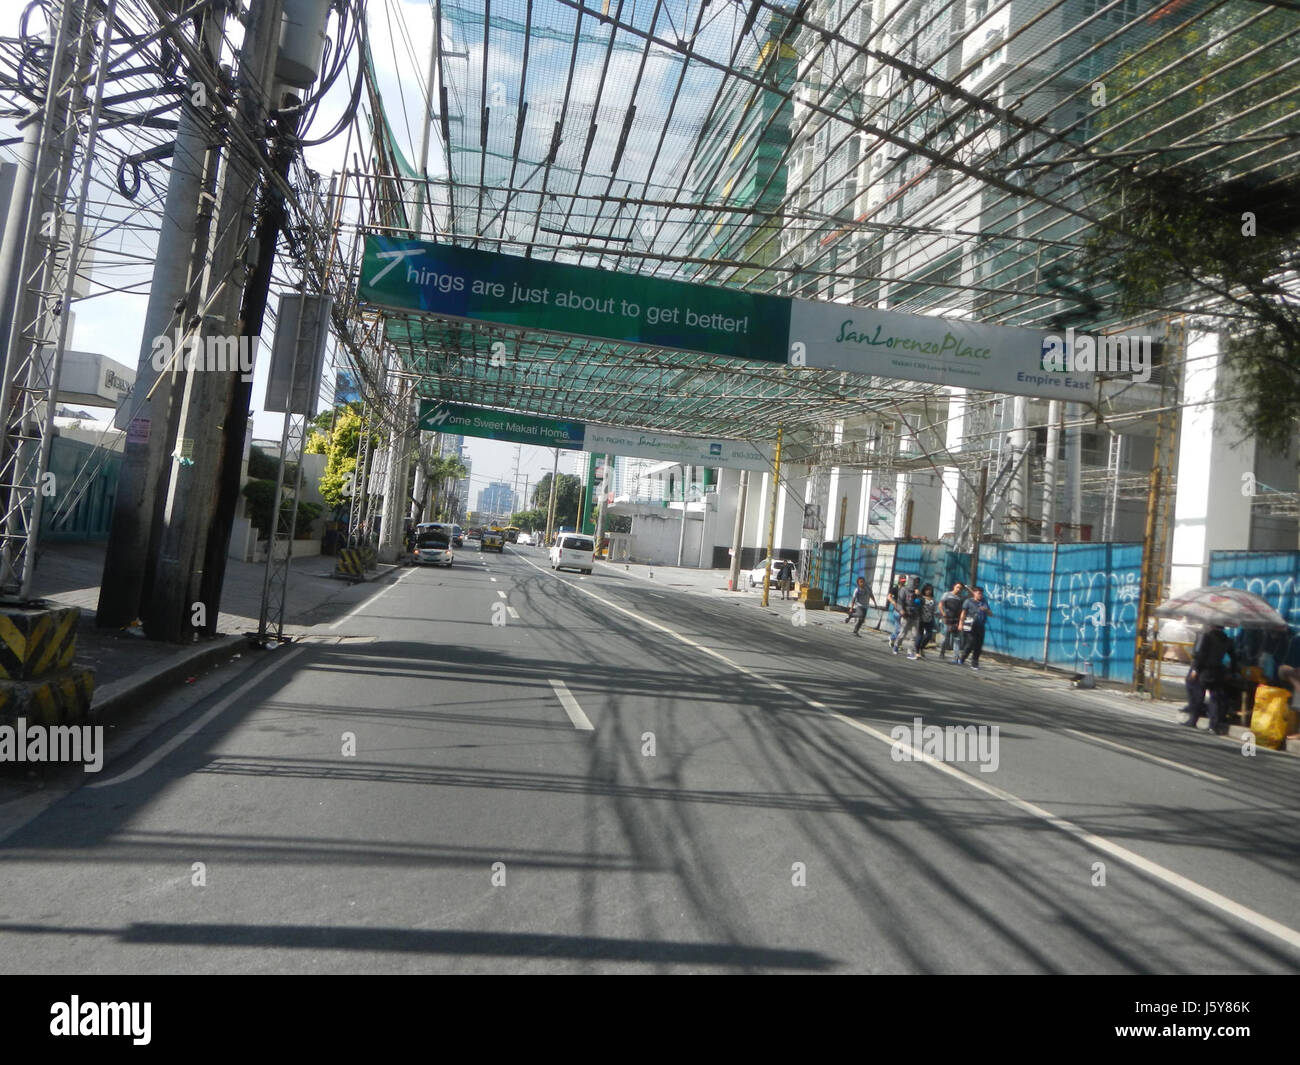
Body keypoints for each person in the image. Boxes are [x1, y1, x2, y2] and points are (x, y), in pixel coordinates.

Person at [1187, 623, 1237, 734]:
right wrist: (1231, 671)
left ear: (1212, 625)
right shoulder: (1227, 640)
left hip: (1204, 670)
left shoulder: (1207, 636)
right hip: (1217, 671)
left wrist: (1195, 669)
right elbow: (1234, 657)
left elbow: (1201, 654)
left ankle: (1193, 720)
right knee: (1215, 699)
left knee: (1198, 695)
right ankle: (1213, 725)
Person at [956, 587, 992, 669]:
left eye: (981, 593)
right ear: (974, 593)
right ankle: (962, 657)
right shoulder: (968, 601)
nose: (980, 595)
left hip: (981, 626)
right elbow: (963, 613)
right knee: (971, 643)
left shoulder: (984, 602)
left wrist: (986, 610)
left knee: (979, 645)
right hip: (970, 626)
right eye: (979, 593)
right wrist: (960, 624)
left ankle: (974, 663)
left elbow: (991, 614)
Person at [939, 582, 966, 657]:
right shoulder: (947, 594)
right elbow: (940, 605)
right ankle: (942, 651)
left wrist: (960, 621)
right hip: (947, 618)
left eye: (960, 588)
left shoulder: (961, 598)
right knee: (946, 637)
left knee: (956, 638)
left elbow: (962, 610)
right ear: (954, 586)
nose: (958, 589)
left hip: (956, 620)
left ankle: (956, 656)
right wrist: (943, 614)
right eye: (957, 587)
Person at [911, 584, 936, 659]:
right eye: (926, 590)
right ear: (924, 590)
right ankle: (917, 651)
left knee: (929, 635)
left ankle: (922, 647)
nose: (928, 591)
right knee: (920, 635)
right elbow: (915, 603)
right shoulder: (921, 598)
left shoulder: (933, 599)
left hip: (930, 619)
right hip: (921, 618)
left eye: (930, 590)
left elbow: (934, 609)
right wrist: (917, 596)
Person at [887, 575, 910, 652]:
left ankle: (896, 642)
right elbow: (889, 597)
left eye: (904, 580)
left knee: (902, 629)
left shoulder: (906, 589)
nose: (903, 581)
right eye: (902, 580)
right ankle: (893, 638)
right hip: (897, 611)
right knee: (899, 629)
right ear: (899, 580)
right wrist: (894, 603)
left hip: (904, 611)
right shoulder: (895, 588)